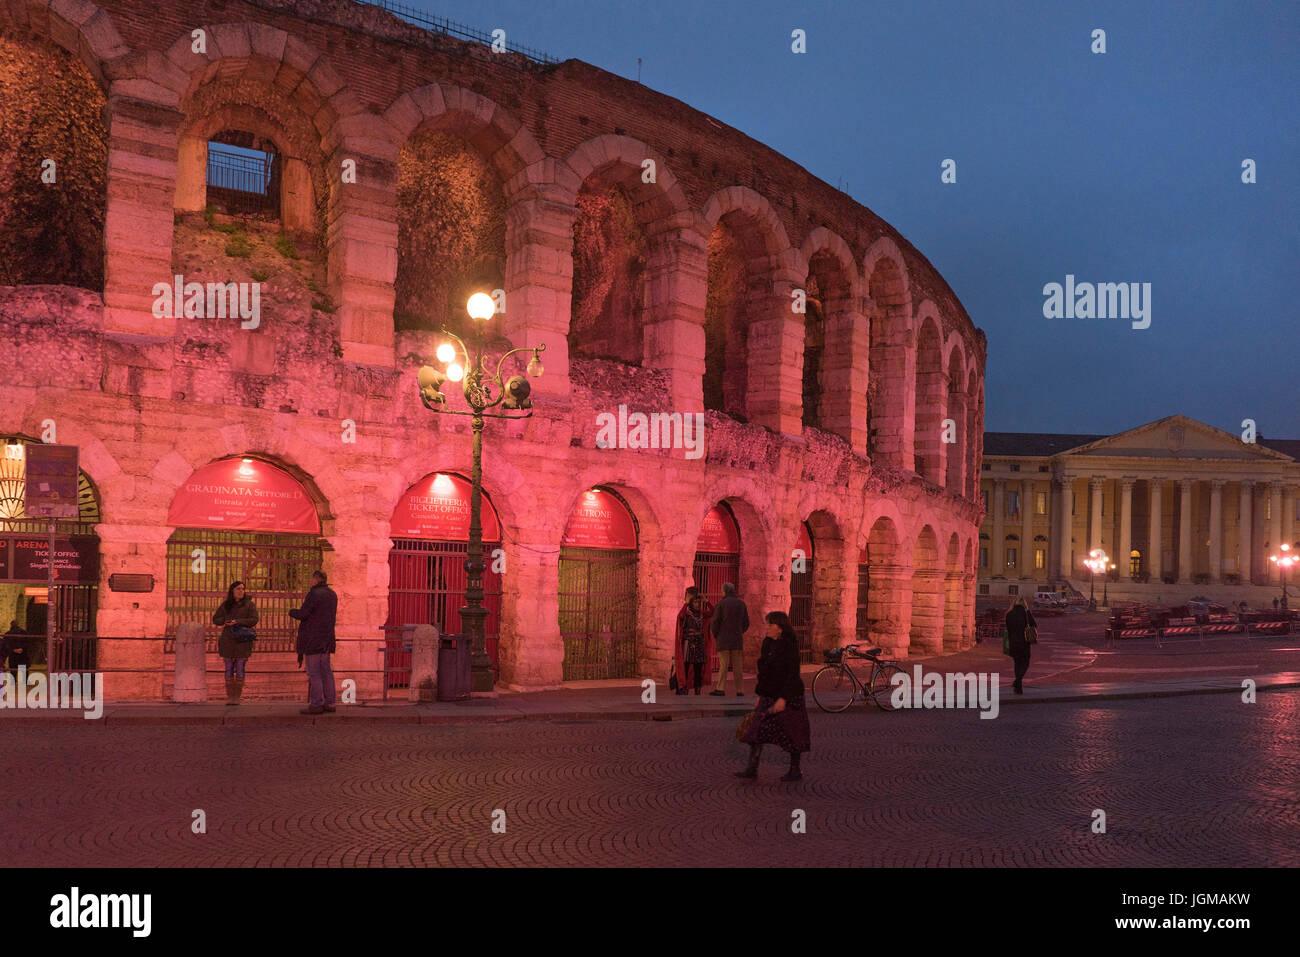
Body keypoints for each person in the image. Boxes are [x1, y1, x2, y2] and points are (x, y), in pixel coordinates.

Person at [736, 611, 811, 782]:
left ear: (780, 628)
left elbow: (792, 674)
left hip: (789, 695)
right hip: (769, 694)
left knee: (793, 733)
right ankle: (752, 767)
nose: (767, 628)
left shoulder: (790, 646)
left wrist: (783, 699)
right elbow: (764, 672)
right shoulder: (768, 643)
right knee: (755, 730)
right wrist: (760, 694)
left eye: (770, 624)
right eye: (767, 624)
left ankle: (795, 769)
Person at [290, 570, 338, 715]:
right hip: (327, 638)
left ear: (316, 579)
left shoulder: (314, 594)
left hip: (313, 639)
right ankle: (330, 702)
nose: (310, 581)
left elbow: (304, 614)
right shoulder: (332, 594)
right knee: (326, 672)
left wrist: (292, 612)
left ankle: (317, 704)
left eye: (311, 579)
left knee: (314, 673)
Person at [212, 581, 258, 706]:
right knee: (228, 669)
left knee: (240, 668)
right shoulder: (226, 605)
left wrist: (238, 621)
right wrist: (226, 621)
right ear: (232, 591)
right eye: (238, 589)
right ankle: (230, 696)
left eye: (243, 589)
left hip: (242, 641)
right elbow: (216, 619)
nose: (241, 591)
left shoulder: (249, 605)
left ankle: (237, 696)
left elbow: (254, 620)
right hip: (228, 640)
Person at [709, 582, 749, 696]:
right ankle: (740, 689)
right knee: (738, 666)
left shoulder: (721, 604)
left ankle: (720, 688)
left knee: (723, 665)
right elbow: (746, 622)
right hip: (737, 639)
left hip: (723, 638)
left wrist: (716, 634)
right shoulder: (741, 604)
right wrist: (740, 632)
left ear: (725, 591)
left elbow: (715, 622)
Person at [673, 587, 715, 695]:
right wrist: (686, 603)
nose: (697, 604)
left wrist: (707, 602)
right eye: (695, 602)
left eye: (698, 602)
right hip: (688, 643)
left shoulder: (701, 613)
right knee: (686, 667)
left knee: (698, 668)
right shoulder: (686, 613)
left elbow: (713, 612)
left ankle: (697, 689)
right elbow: (680, 616)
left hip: (699, 643)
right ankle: (684, 688)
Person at [1004, 595, 1037, 695]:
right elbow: (1034, 625)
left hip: (1013, 641)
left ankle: (1018, 688)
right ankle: (1018, 681)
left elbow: (1008, 629)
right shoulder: (1026, 613)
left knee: (1017, 663)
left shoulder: (1009, 614)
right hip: (1024, 641)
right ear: (1024, 604)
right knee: (1025, 662)